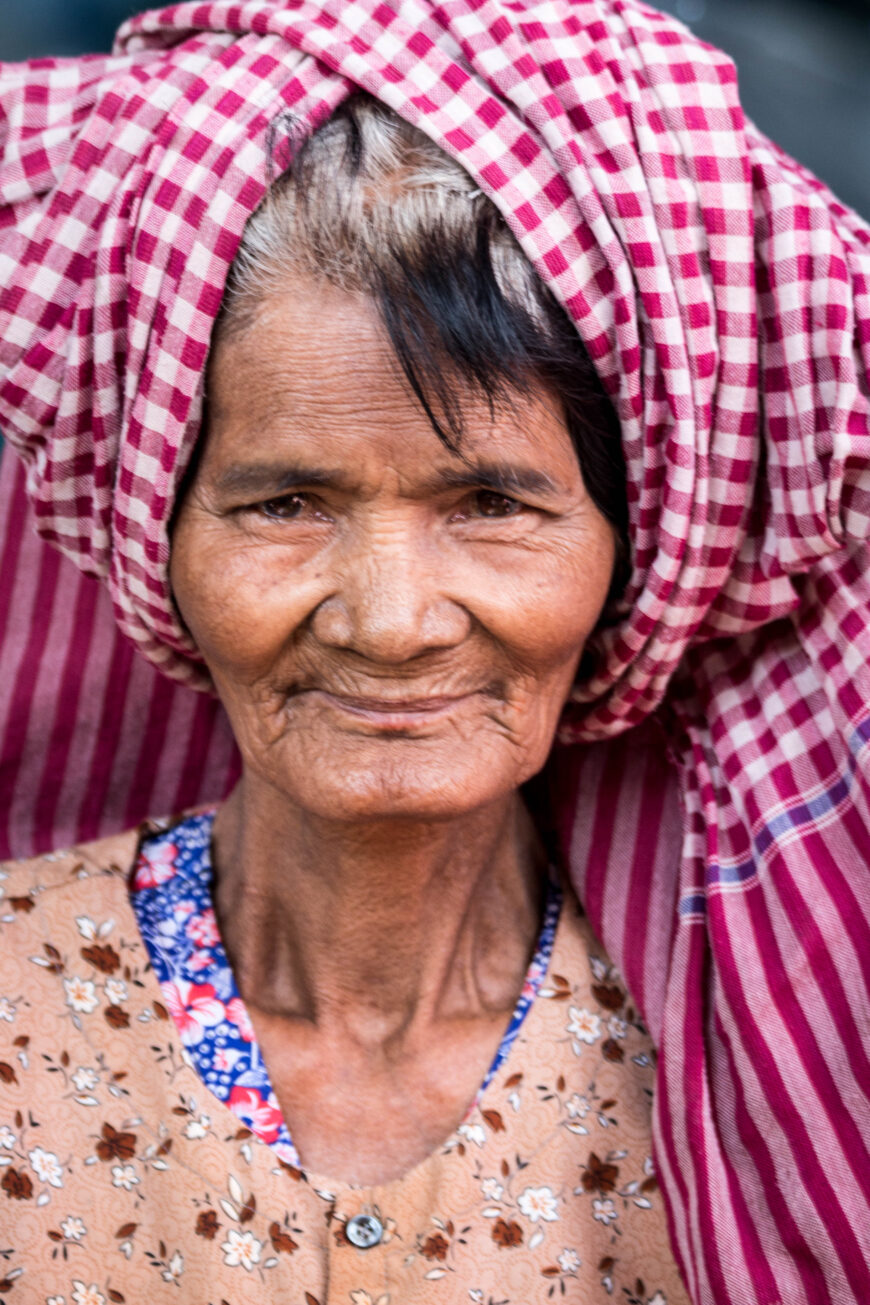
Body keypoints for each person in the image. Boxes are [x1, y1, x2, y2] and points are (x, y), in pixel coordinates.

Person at [0, 1, 868, 1302]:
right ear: (151, 532)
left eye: (492, 506)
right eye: (284, 504)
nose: (390, 619)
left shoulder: (761, 1087)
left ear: (634, 543)